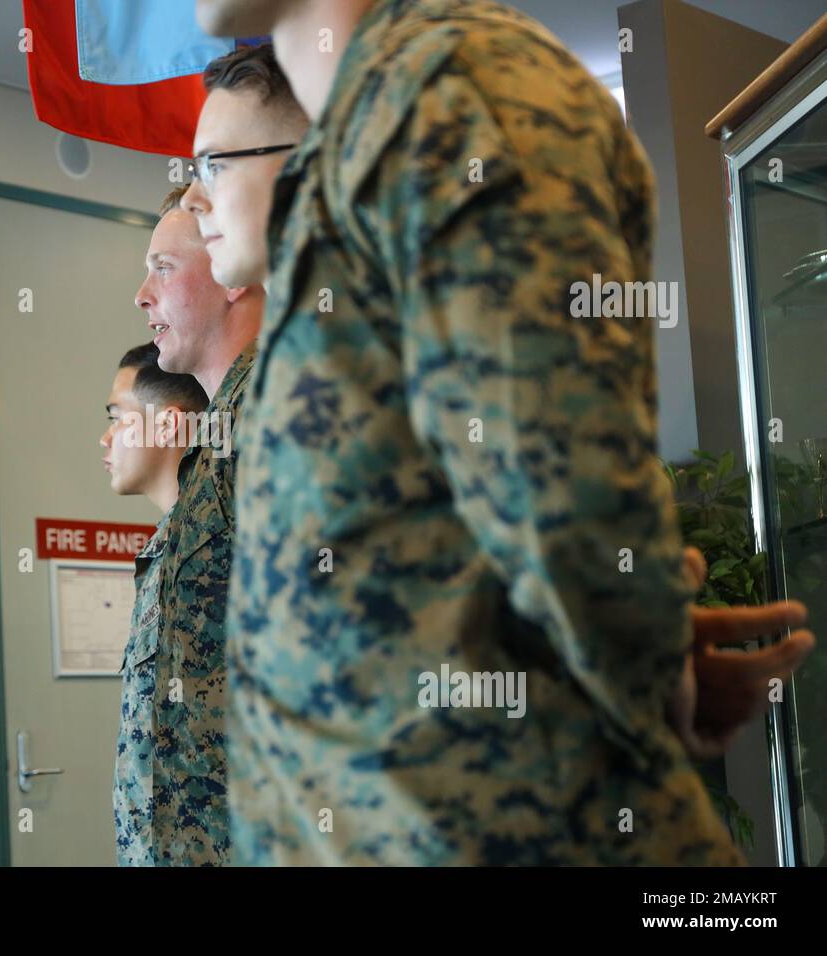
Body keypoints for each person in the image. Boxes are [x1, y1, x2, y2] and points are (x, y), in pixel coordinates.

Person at [188, 7, 813, 864]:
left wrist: (641, 643)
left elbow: (561, 490)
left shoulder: (454, 88)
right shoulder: (364, 151)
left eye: (211, 165)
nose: (195, 198)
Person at [126, 186, 263, 864]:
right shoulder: (216, 445)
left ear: (233, 273)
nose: (142, 294)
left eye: (164, 267)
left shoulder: (278, 413)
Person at [99, 343, 210, 865]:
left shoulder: (212, 547)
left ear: (166, 427)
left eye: (118, 419)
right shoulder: (167, 550)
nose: (105, 438)